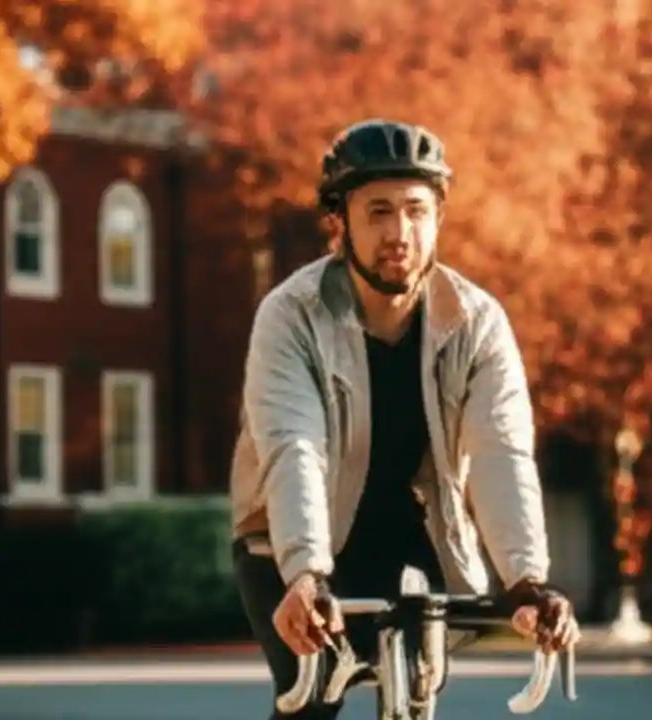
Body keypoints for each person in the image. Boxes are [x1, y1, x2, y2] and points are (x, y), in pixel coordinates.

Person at [229, 118, 578, 719]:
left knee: (416, 696)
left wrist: (526, 582)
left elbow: (500, 450)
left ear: (439, 217)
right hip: (286, 540)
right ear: (340, 222)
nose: (400, 233)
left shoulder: (477, 322)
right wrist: (307, 572)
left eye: (417, 211)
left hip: (411, 531)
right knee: (312, 701)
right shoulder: (290, 316)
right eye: (379, 212)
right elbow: (294, 447)